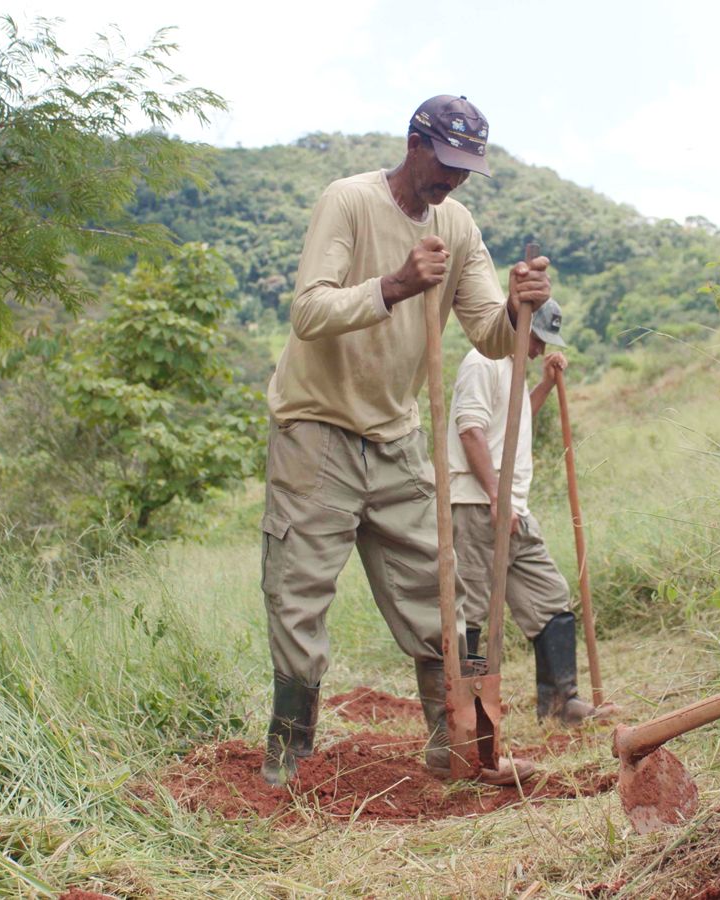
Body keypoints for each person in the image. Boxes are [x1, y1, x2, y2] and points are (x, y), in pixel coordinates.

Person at [260, 94, 546, 786]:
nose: (449, 181)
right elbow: (307, 310)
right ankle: (288, 759)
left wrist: (519, 306)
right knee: (299, 594)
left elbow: (490, 334)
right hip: (316, 431)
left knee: (437, 592)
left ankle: (459, 746)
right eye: (443, 164)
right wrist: (392, 286)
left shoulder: (458, 225)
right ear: (414, 143)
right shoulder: (349, 202)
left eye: (464, 171)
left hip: (395, 438)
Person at [447, 298, 617, 726]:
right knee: (470, 615)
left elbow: (515, 422)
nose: (541, 348)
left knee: (552, 599)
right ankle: (469, 718)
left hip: (512, 509)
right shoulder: (482, 362)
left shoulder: (515, 368)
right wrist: (494, 496)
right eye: (538, 339)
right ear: (519, 327)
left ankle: (563, 704)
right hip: (475, 507)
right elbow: (471, 432)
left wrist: (543, 383)